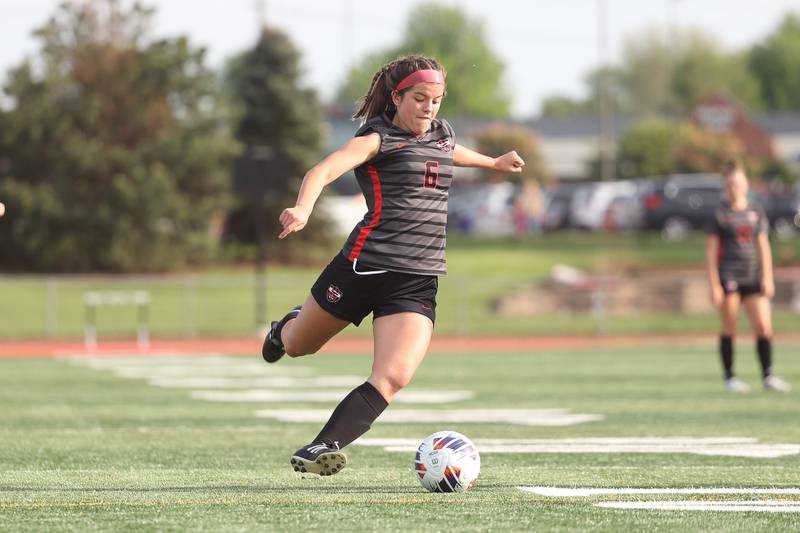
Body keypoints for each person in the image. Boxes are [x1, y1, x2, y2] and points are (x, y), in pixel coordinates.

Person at [260, 55, 525, 476]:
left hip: (417, 279)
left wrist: (492, 163)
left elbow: (450, 152)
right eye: (420, 98)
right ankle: (284, 328)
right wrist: (303, 208)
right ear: (397, 97)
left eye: (436, 100)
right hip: (363, 268)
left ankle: (322, 445)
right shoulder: (376, 138)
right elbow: (323, 169)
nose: (429, 108)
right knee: (298, 347)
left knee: (394, 375)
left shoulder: (440, 135)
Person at [705, 160, 790, 393]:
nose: (734, 188)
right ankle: (730, 378)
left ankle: (768, 376)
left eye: (738, 184)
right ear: (725, 187)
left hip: (752, 276)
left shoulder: (755, 211)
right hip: (729, 275)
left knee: (763, 325)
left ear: (746, 184)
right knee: (729, 326)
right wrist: (714, 284)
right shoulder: (720, 214)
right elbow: (711, 253)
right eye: (730, 184)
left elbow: (763, 245)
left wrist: (767, 276)